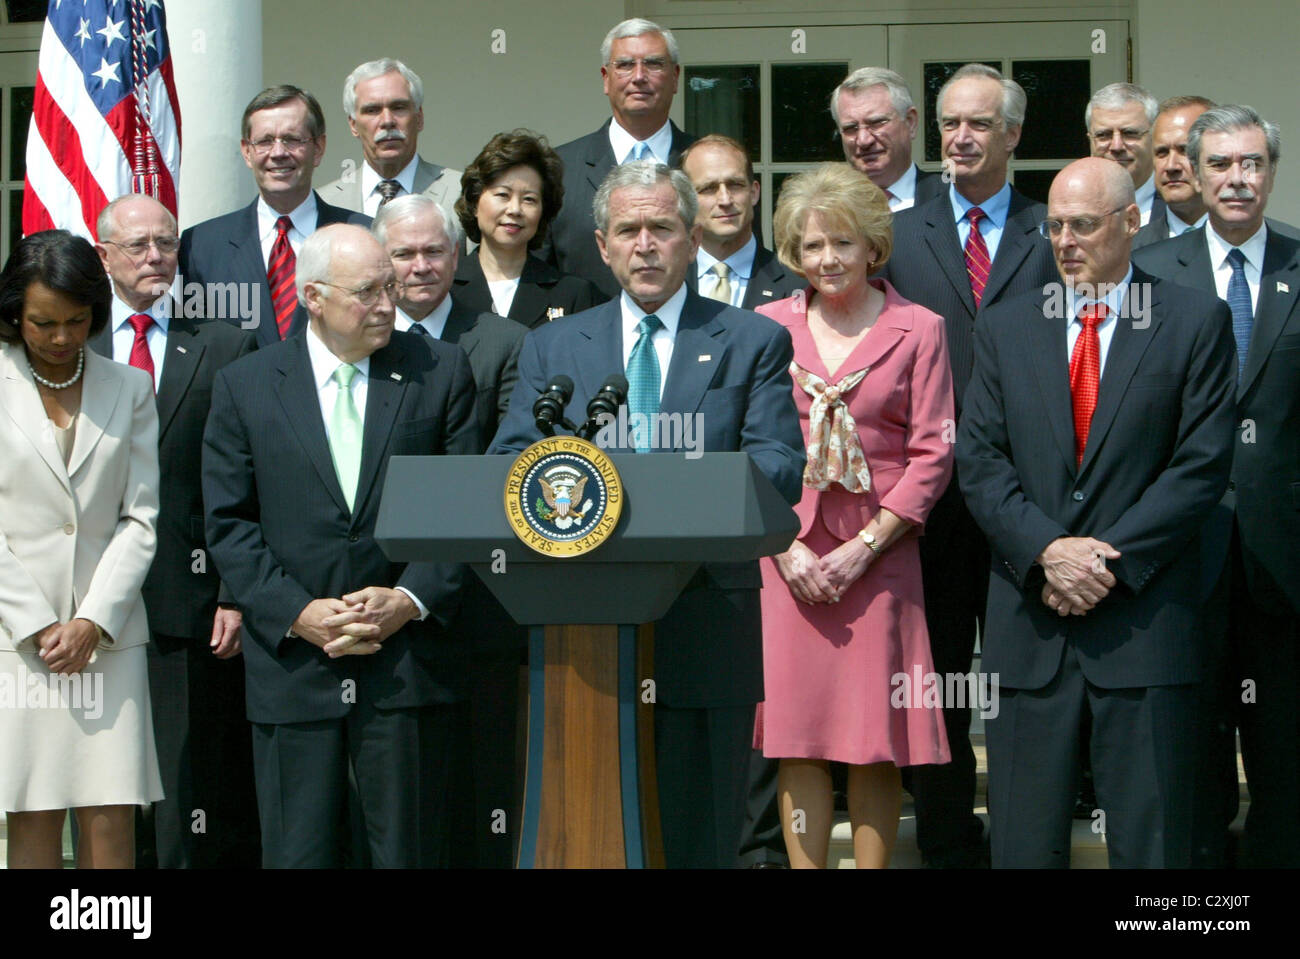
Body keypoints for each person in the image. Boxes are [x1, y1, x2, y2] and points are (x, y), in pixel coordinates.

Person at [490, 161, 804, 868]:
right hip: (580, 634)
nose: (645, 244)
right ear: (602, 246)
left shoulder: (750, 340)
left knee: (701, 837)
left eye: (661, 228)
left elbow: (781, 467)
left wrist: (677, 490)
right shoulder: (552, 346)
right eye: (628, 230)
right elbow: (512, 463)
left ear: (691, 239)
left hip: (706, 623)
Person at [957, 157, 1237, 867]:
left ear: (1132, 222)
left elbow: (1199, 467)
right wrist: (1049, 551)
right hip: (1031, 628)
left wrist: (1101, 560)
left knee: (1155, 849)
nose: (1065, 240)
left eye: (1084, 224)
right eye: (1054, 225)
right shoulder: (1007, 326)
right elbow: (981, 462)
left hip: (1145, 626)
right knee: (1022, 847)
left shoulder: (1194, 321)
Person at [201, 224, 480, 867]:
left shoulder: (439, 371)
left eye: (390, 285)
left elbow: (463, 509)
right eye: (368, 291)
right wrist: (297, 613)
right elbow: (229, 523)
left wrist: (408, 598)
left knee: (407, 851)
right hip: (294, 666)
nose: (388, 302)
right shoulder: (246, 384)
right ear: (314, 297)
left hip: (405, 664)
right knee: (299, 853)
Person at [876, 62, 1058, 868]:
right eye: (951, 122)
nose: (962, 137)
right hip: (934, 491)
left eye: (981, 123)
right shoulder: (899, 229)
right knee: (940, 671)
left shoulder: (1051, 226)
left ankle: (1027, 834)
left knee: (1024, 671)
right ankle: (950, 835)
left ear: (1014, 134)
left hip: (1032, 489)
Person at [754, 163, 954, 868]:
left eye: (841, 242)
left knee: (876, 736)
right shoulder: (764, 326)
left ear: (873, 245)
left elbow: (933, 452)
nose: (827, 259)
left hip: (881, 557)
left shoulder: (919, 327)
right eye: (810, 246)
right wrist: (785, 547)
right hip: (789, 558)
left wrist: (865, 547)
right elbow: (747, 450)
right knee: (798, 735)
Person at [1133, 104, 1300, 867]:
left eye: (1253, 163)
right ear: (1194, 177)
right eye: (1222, 166)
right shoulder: (1149, 272)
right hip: (1179, 554)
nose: (1238, 180)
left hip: (1285, 560)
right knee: (1189, 754)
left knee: (1285, 758)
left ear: (1271, 170)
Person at [89, 194, 260, 869]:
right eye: (139, 245)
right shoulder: (78, 339)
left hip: (188, 605)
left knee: (184, 779)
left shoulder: (223, 341)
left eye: (167, 242)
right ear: (104, 256)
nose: (158, 255)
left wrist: (232, 588)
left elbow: (244, 479)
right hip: (91, 602)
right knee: (102, 780)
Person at [373, 194, 527, 868]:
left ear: (457, 256)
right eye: (403, 253)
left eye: (433, 250)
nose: (419, 265)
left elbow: (507, 464)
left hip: (480, 602)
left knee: (481, 788)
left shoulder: (502, 341)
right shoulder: (359, 341)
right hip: (375, 595)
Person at [0, 229, 161, 868]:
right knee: (31, 813)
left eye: (76, 320)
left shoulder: (130, 387)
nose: (62, 336)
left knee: (109, 819)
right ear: (15, 314)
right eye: (43, 323)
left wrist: (94, 619)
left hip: (109, 639)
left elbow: (141, 516)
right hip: (17, 641)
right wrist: (38, 624)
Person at [179, 85, 369, 347]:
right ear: (247, 151)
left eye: (292, 139)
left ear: (319, 147)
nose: (278, 153)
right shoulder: (200, 246)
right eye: (265, 141)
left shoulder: (362, 234)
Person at [540, 18, 695, 297]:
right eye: (624, 65)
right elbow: (540, 277)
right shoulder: (557, 169)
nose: (638, 76)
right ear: (605, 79)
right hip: (584, 335)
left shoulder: (709, 168)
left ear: (675, 77)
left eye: (653, 63)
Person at [451, 130, 604, 329]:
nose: (515, 210)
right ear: (474, 203)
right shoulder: (445, 286)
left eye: (529, 199)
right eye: (503, 195)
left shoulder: (573, 294)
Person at [319, 59, 461, 218]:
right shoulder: (324, 203)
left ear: (419, 118)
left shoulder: (461, 192)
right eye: (372, 110)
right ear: (353, 125)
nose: (387, 121)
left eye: (398, 107)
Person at [679, 134, 804, 311]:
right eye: (709, 188)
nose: (725, 200)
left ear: (753, 193)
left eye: (735, 185)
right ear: (687, 200)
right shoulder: (665, 281)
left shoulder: (798, 284)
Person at [831, 67, 944, 212]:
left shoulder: (953, 201)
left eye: (876, 123)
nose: (864, 140)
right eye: (851, 128)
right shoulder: (828, 211)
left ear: (910, 122)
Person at [1133, 96, 1215, 249]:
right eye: (1162, 152)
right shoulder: (1130, 253)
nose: (1171, 166)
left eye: (1185, 150)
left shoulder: (1261, 243)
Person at [1086, 82, 1164, 226]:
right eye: (1104, 135)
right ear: (1090, 140)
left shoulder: (1178, 208)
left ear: (1155, 138)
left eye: (1130, 133)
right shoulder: (1075, 207)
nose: (1117, 146)